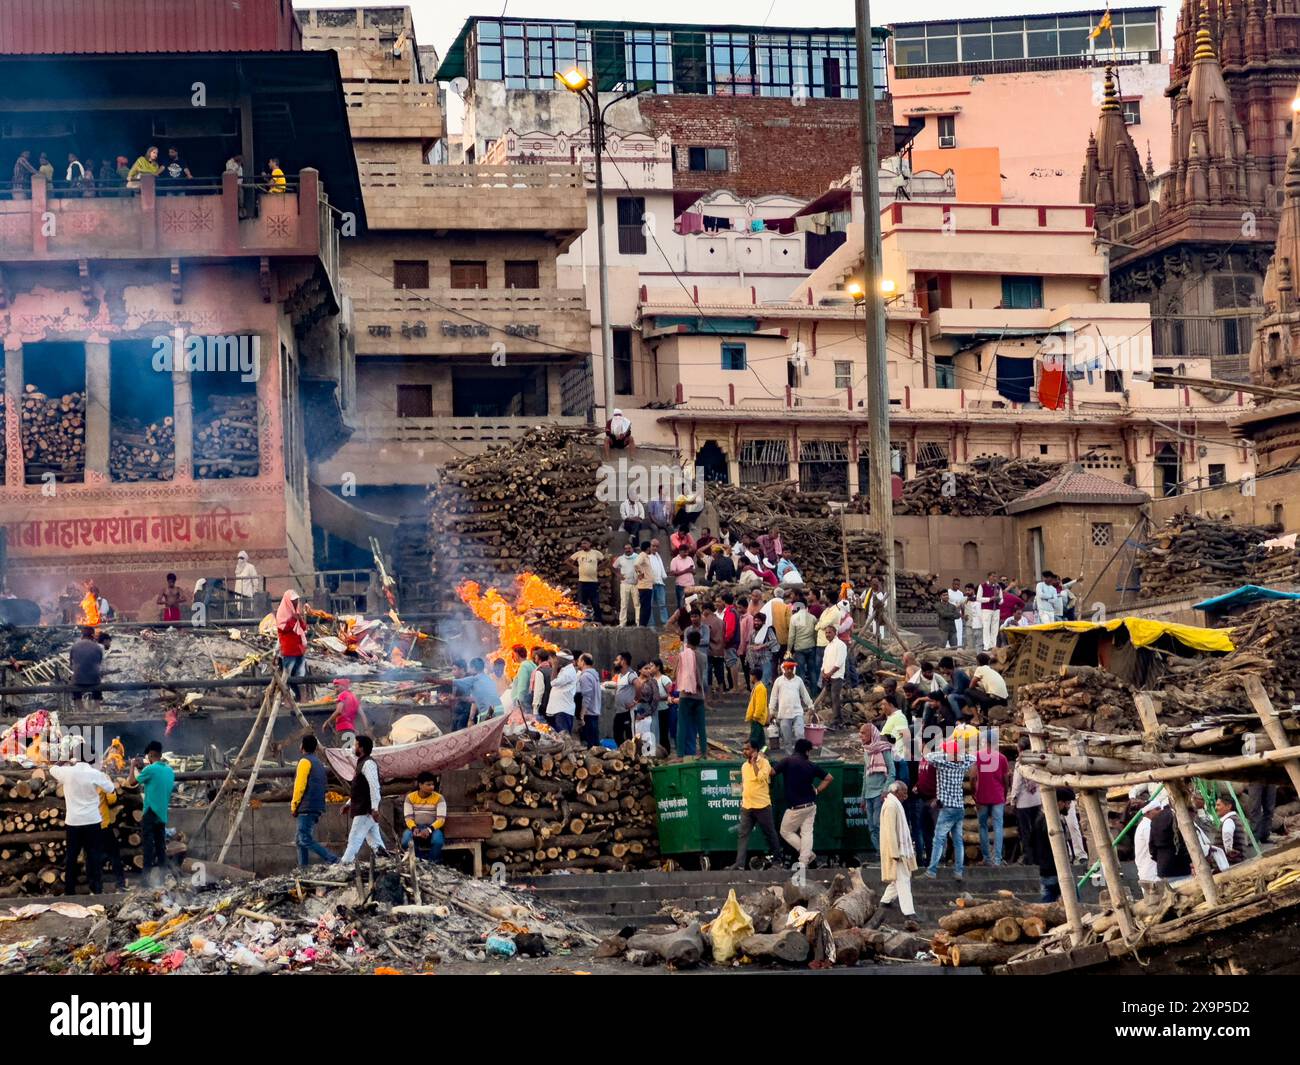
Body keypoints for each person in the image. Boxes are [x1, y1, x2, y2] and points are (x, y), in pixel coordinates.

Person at [50, 754, 116, 895]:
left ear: (76, 757)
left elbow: (52, 768)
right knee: (94, 856)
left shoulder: (67, 772)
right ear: (91, 758)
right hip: (92, 821)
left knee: (72, 857)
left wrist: (65, 758)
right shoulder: (95, 774)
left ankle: (70, 891)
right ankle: (96, 890)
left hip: (73, 822)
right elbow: (111, 789)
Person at [775, 738, 832, 868]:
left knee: (785, 831)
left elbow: (772, 772)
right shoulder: (811, 765)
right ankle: (804, 859)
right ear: (806, 751)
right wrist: (817, 790)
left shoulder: (787, 761)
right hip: (811, 805)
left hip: (795, 807)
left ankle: (807, 855)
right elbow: (829, 778)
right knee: (807, 833)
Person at [924, 741, 975, 880]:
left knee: (938, 839)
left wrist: (945, 753)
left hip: (947, 808)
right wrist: (959, 755)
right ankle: (958, 871)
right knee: (958, 840)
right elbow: (973, 757)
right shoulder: (962, 764)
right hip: (959, 807)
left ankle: (932, 870)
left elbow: (928, 756)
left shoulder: (943, 764)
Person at [729, 740, 783, 870]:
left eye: (747, 749)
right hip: (747, 806)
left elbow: (762, 778)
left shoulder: (765, 763)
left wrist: (754, 763)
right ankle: (739, 864)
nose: (744, 751)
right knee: (743, 835)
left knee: (770, 833)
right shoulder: (743, 766)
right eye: (744, 749)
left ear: (755, 751)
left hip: (762, 806)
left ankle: (777, 861)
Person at [129, 741, 175, 881]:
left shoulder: (150, 770)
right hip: (162, 813)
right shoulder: (169, 770)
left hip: (150, 812)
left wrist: (132, 766)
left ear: (150, 755)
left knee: (148, 847)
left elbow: (131, 782)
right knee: (161, 847)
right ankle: (162, 879)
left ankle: (146, 880)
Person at [291, 735, 338, 866]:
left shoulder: (304, 762)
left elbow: (299, 787)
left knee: (304, 839)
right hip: (317, 806)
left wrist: (294, 806)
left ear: (302, 746)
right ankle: (303, 870)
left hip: (306, 806)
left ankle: (332, 859)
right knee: (300, 840)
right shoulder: (318, 763)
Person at [341, 736, 387, 863]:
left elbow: (374, 786)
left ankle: (344, 865)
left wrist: (374, 808)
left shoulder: (368, 763)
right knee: (376, 842)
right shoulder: (361, 763)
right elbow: (360, 789)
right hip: (365, 809)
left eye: (355, 745)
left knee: (354, 840)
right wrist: (348, 804)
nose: (354, 747)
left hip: (365, 810)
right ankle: (386, 863)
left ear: (361, 748)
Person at [879, 780, 919, 917]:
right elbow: (890, 831)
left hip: (899, 849)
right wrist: (894, 852)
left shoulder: (893, 803)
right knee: (903, 879)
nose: (906, 796)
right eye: (904, 792)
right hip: (897, 850)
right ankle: (909, 912)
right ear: (896, 791)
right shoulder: (891, 805)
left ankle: (885, 901)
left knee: (900, 877)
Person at [1032, 787, 1076, 902]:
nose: (1069, 806)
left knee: (1048, 903)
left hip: (1047, 870)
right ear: (1060, 803)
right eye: (1068, 803)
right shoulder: (1050, 822)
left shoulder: (1042, 819)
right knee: (1073, 901)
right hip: (1055, 871)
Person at [974, 733, 1010, 866]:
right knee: (998, 827)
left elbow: (972, 777)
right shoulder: (1002, 758)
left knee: (982, 826)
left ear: (984, 741)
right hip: (998, 796)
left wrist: (974, 794)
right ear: (995, 743)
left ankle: (987, 858)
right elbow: (1006, 780)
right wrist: (1005, 794)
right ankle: (997, 859)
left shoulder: (977, 756)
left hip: (982, 796)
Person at [859, 722, 896, 850]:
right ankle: (879, 854)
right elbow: (865, 776)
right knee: (871, 828)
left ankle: (886, 854)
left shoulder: (884, 749)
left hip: (879, 794)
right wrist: (862, 797)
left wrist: (885, 790)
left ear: (872, 734)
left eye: (864, 733)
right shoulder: (866, 751)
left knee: (878, 825)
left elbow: (892, 772)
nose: (860, 735)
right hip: (869, 794)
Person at [1009, 738, 1043, 865]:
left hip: (1023, 803)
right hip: (1037, 800)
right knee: (1037, 829)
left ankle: (1029, 857)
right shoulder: (1036, 760)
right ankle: (1039, 856)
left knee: (1025, 831)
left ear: (1020, 749)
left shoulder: (1020, 763)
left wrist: (1013, 800)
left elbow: (1016, 785)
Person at [676, 630, 708, 757]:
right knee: (701, 726)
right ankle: (704, 752)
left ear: (687, 641)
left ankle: (679, 754)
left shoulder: (682, 655)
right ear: (699, 642)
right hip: (699, 695)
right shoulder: (703, 657)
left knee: (682, 725)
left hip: (685, 694)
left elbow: (677, 673)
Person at [770, 656, 813, 751]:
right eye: (787, 668)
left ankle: (801, 754)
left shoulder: (799, 680)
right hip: (784, 714)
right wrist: (771, 710)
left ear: (794, 668)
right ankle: (790, 756)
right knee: (787, 738)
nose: (789, 670)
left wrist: (810, 706)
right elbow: (773, 697)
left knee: (800, 735)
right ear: (783, 668)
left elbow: (804, 694)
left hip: (797, 712)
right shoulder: (778, 681)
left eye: (791, 668)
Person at [402, 772, 446, 863]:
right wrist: (414, 828)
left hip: (433, 828)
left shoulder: (439, 798)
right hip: (415, 827)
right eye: (428, 784)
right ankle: (419, 860)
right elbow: (408, 818)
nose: (432, 787)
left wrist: (429, 829)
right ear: (420, 785)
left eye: (433, 784)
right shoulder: (410, 798)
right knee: (405, 841)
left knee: (438, 841)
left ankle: (431, 862)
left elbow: (441, 819)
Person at [1148, 802, 1192, 882]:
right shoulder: (1178, 816)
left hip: (1163, 867)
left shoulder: (1155, 820)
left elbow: (1152, 846)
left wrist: (1159, 859)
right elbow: (1183, 842)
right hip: (1181, 866)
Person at [452, 657, 502, 727]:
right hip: (492, 711)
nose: (469, 670)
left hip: (476, 713)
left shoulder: (476, 681)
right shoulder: (484, 679)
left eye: (454, 669)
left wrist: (471, 719)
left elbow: (475, 701)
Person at [321, 676, 368, 750]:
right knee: (350, 753)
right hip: (352, 729)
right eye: (335, 687)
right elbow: (363, 715)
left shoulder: (342, 695)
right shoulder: (354, 697)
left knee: (343, 754)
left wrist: (327, 722)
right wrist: (366, 729)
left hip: (343, 729)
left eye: (337, 687)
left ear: (344, 686)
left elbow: (339, 711)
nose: (335, 689)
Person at [276, 589, 309, 680]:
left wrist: (299, 619)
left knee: (300, 675)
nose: (295, 602)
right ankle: (287, 693)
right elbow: (283, 629)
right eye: (293, 601)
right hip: (289, 651)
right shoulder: (281, 614)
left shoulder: (296, 613)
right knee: (288, 676)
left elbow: (303, 628)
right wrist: (294, 619)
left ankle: (299, 694)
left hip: (299, 650)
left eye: (296, 600)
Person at [69, 626, 104, 707]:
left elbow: (71, 664)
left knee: (75, 691)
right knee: (97, 690)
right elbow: (100, 663)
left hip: (78, 679)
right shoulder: (97, 647)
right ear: (92, 635)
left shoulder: (75, 646)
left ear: (82, 635)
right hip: (94, 679)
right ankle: (96, 708)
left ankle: (80, 710)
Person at [787, 598, 817, 692]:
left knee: (801, 672)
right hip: (811, 647)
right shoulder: (812, 617)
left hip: (799, 648)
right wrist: (815, 643)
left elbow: (791, 636)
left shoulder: (794, 618)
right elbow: (815, 633)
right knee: (812, 670)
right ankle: (814, 692)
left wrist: (788, 649)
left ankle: (801, 694)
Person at [819, 622, 848, 721]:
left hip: (836, 676)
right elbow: (824, 661)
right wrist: (823, 672)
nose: (827, 634)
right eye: (826, 633)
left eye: (829, 632)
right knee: (830, 699)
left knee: (835, 698)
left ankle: (837, 720)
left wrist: (830, 673)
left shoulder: (840, 645)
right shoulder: (828, 646)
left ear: (834, 633)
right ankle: (836, 718)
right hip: (827, 677)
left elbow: (839, 662)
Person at [547, 652, 578, 733]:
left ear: (564, 659)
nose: (556, 660)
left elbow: (553, 682)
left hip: (563, 711)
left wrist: (554, 666)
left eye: (557, 658)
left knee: (563, 738)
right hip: (559, 709)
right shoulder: (565, 670)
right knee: (557, 738)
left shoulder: (569, 672)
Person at [700, 601, 728, 695]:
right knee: (720, 673)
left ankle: (709, 696)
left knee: (708, 674)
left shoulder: (705, 622)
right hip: (720, 651)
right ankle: (721, 694)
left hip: (709, 651)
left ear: (707, 610)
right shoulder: (721, 621)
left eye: (703, 610)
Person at [576, 653, 603, 746]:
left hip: (589, 714)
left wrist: (582, 715)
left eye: (579, 661)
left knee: (590, 745)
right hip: (594, 713)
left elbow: (586, 697)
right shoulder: (594, 675)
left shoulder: (585, 676)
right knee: (595, 744)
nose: (577, 663)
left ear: (583, 662)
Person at [611, 652, 638, 744]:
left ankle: (633, 756)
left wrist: (635, 701)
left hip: (628, 712)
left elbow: (639, 685)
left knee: (630, 735)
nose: (615, 662)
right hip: (619, 711)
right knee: (617, 734)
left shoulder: (630, 674)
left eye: (617, 660)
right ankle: (623, 753)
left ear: (623, 661)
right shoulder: (619, 676)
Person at [1215, 795, 1249, 865]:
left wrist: (1229, 850)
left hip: (1229, 862)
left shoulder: (1229, 820)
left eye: (1218, 805)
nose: (1216, 808)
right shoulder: (1235, 819)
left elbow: (1227, 833)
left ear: (1228, 806)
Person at [614, 542, 640, 626]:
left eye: (629, 548)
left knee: (637, 604)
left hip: (636, 584)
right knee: (624, 604)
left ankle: (638, 623)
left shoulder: (637, 557)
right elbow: (613, 567)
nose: (627, 550)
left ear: (632, 548)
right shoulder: (620, 558)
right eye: (625, 548)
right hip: (624, 584)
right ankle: (622, 623)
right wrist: (618, 575)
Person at [976, 573, 1002, 651]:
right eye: (993, 576)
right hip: (986, 609)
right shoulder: (982, 586)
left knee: (995, 627)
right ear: (988, 577)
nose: (995, 578)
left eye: (995, 576)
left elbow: (1002, 599)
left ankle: (993, 645)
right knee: (986, 627)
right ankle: (986, 646)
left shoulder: (998, 587)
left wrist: (999, 600)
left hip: (996, 609)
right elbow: (978, 598)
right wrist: (989, 599)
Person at [508, 645, 536, 717]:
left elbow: (522, 688)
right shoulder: (531, 664)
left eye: (513, 654)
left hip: (524, 706)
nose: (512, 657)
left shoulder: (524, 666)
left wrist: (518, 704)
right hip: (530, 702)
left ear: (517, 654)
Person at [647, 537, 669, 626]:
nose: (655, 548)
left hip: (660, 583)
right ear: (650, 546)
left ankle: (665, 622)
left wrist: (664, 576)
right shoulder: (645, 556)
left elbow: (661, 568)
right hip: (649, 584)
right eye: (653, 546)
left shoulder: (658, 556)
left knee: (662, 604)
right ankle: (651, 624)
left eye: (657, 546)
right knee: (650, 605)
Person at [634, 541, 656, 627]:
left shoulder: (646, 556)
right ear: (648, 548)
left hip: (648, 585)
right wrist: (640, 573)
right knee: (645, 607)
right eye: (650, 547)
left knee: (647, 608)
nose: (651, 548)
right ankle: (642, 626)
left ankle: (644, 625)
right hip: (644, 586)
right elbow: (636, 564)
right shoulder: (642, 555)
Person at [744, 675, 769, 750]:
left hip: (757, 718)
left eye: (751, 676)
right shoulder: (757, 687)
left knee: (754, 739)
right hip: (756, 718)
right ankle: (764, 752)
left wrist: (756, 716)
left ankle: (754, 754)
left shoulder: (760, 688)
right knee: (761, 740)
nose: (750, 678)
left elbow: (760, 704)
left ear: (754, 676)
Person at [669, 542, 697, 610]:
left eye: (687, 552)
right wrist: (686, 570)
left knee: (692, 604)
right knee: (681, 605)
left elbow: (694, 572)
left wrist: (691, 570)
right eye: (685, 552)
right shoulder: (674, 560)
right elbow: (673, 573)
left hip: (691, 585)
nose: (686, 554)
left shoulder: (690, 558)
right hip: (681, 586)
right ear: (680, 551)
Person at [529, 649, 554, 722]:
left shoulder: (540, 672)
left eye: (536, 657)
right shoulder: (552, 670)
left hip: (542, 707)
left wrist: (535, 710)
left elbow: (538, 692)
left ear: (539, 658)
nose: (535, 658)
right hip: (551, 706)